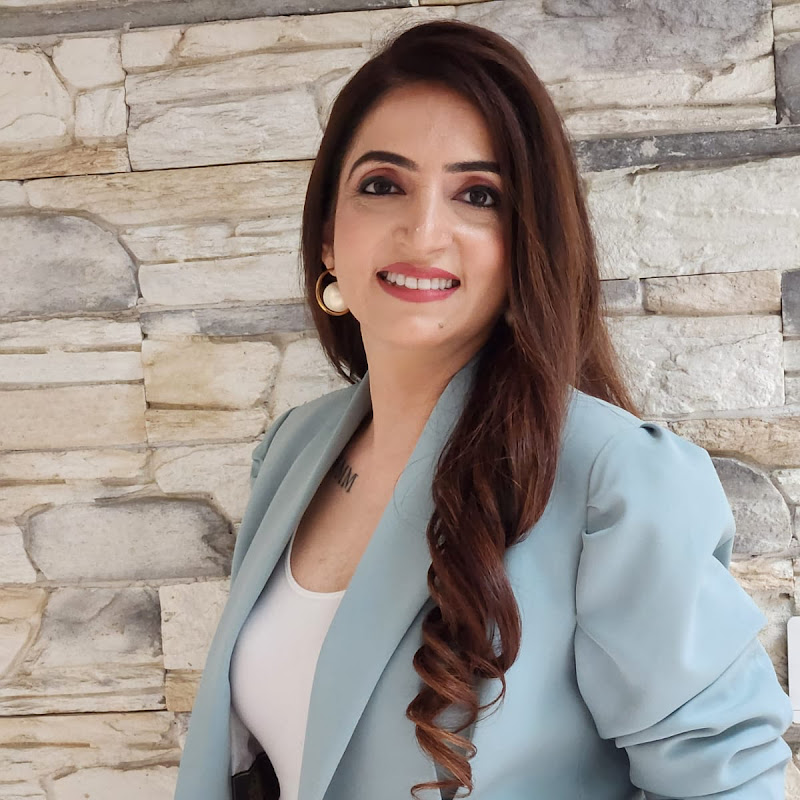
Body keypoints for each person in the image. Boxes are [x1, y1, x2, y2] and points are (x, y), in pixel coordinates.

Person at [173, 18, 794, 800]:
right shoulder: (294, 449)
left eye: (477, 195)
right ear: (328, 237)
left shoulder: (612, 480)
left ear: (525, 242)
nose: (424, 231)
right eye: (383, 184)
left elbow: (726, 782)